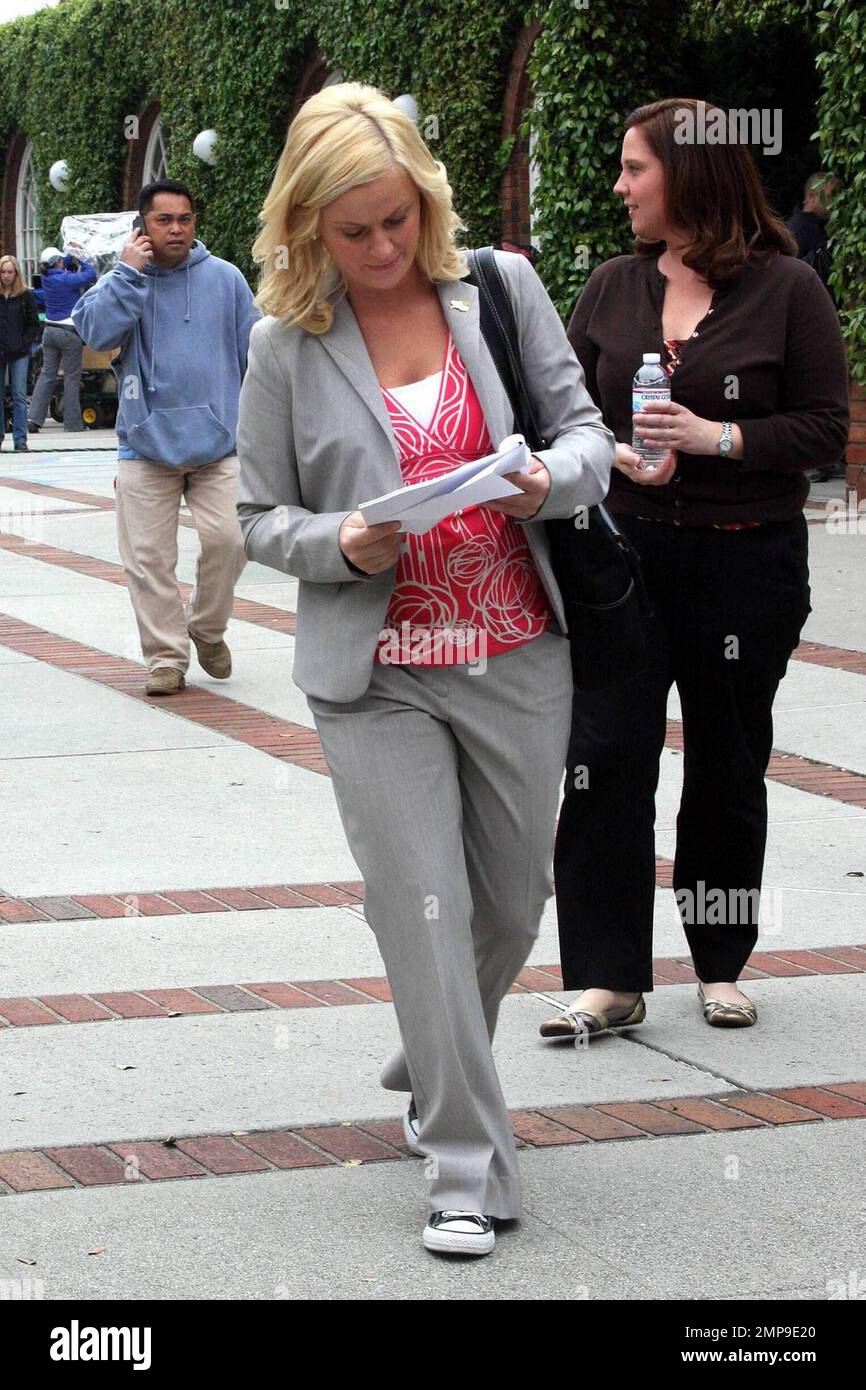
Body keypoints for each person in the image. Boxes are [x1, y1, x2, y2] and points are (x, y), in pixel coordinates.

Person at [235, 82, 613, 1257]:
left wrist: (546, 480)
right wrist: (340, 539)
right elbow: (255, 516)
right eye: (354, 232)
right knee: (424, 906)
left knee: (507, 904)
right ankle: (464, 1166)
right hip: (377, 671)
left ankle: (428, 1044)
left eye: (396, 220)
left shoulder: (495, 288)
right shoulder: (282, 345)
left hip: (513, 651)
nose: (383, 248)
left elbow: (585, 434)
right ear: (307, 227)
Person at [540, 97, 849, 1043]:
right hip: (623, 561)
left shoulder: (786, 287)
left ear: (690, 173)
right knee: (604, 761)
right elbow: (561, 412)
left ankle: (720, 965)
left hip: (744, 561)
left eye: (636, 168)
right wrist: (610, 454)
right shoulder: (609, 287)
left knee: (726, 763)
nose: (622, 186)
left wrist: (718, 436)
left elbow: (827, 426)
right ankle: (606, 977)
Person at [72, 179, 260, 696]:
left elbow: (258, 355)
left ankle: (206, 626)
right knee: (148, 559)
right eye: (163, 220)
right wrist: (128, 272)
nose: (176, 229)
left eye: (184, 219)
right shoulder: (124, 279)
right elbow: (96, 333)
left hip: (220, 443)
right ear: (142, 227)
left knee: (232, 539)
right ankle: (166, 658)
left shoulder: (225, 278)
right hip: (145, 443)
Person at [28, 246, 96, 434]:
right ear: (57, 261)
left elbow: (61, 263)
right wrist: (81, 256)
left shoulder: (46, 278)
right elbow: (90, 274)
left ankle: (34, 418)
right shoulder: (66, 280)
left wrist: (69, 254)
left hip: (49, 331)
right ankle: (73, 424)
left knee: (47, 375)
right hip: (68, 333)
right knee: (71, 378)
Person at [0, 255, 40, 452]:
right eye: (3, 272)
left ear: (16, 273)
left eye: (10, 272)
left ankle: (20, 439)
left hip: (19, 351)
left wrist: (25, 343)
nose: (6, 276)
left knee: (19, 394)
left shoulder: (26, 295)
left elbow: (33, 323)